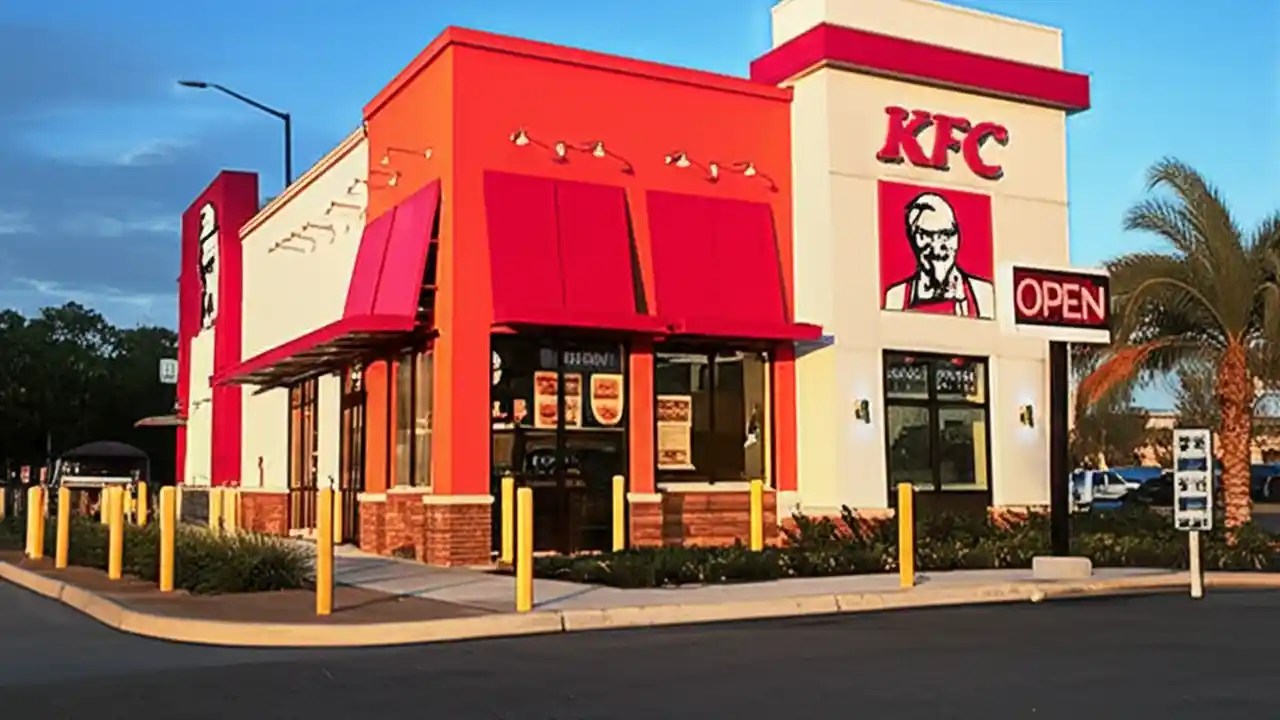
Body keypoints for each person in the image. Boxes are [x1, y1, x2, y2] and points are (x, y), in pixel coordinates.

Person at [883, 192, 994, 318]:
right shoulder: (896, 298)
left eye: (946, 234)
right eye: (926, 235)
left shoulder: (983, 294)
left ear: (957, 237)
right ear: (912, 239)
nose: (936, 248)